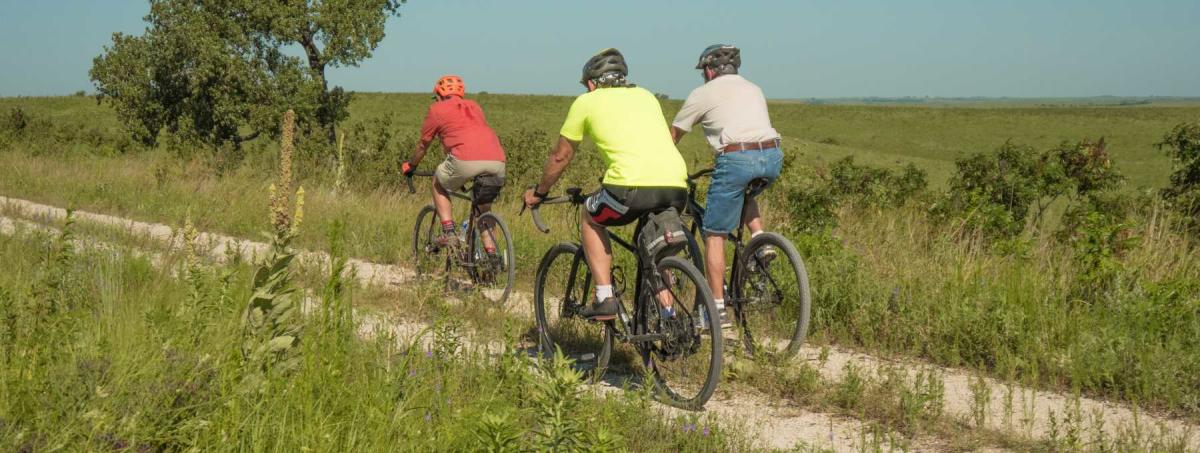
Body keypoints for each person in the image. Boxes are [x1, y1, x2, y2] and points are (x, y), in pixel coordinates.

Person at [523, 48, 689, 321]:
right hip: (675, 185)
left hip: (629, 187)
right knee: (654, 247)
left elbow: (560, 156)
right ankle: (669, 317)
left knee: (590, 215)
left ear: (591, 83)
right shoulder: (647, 96)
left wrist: (539, 193)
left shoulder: (586, 102)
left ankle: (604, 298)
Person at [671, 44, 783, 327]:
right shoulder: (753, 88)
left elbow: (672, 136)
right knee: (746, 192)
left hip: (735, 157)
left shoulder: (703, 93)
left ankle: (716, 307)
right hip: (772, 156)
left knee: (715, 234)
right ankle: (759, 239)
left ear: (709, 70)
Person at [403, 75, 507, 252]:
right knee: (483, 210)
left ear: (440, 93)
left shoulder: (437, 109)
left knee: (438, 181)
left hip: (465, 160)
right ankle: (491, 260)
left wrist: (411, 166)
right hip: (497, 161)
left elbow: (423, 144)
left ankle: (449, 231)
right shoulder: (475, 106)